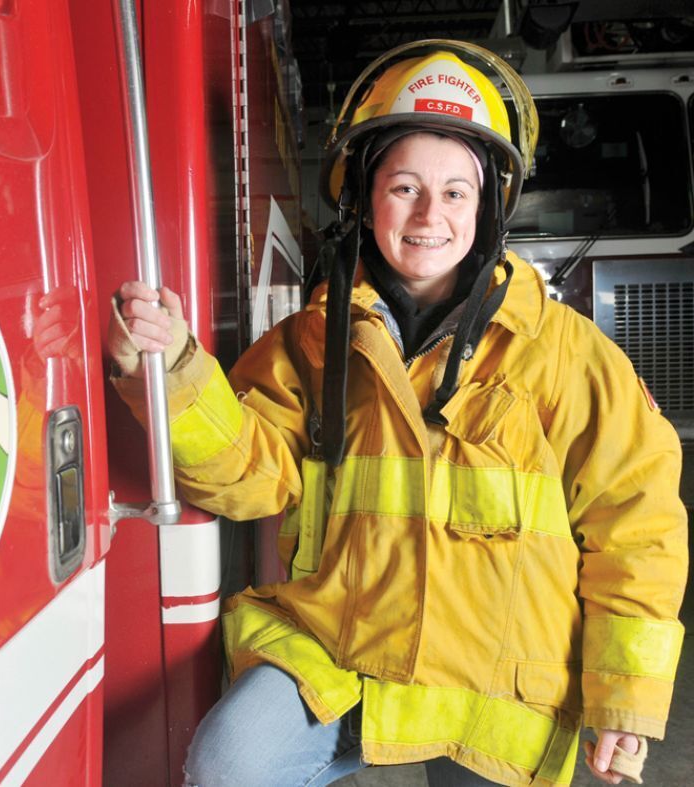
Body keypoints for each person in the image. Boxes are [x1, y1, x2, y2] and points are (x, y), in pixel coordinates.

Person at [108, 40, 687, 787]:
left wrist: (623, 702)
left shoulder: (567, 356)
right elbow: (249, 478)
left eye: (455, 193)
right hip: (343, 651)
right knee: (227, 764)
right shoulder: (312, 344)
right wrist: (176, 372)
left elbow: (637, 526)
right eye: (404, 186)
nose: (429, 214)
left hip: (499, 681)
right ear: (362, 198)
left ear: (488, 208)